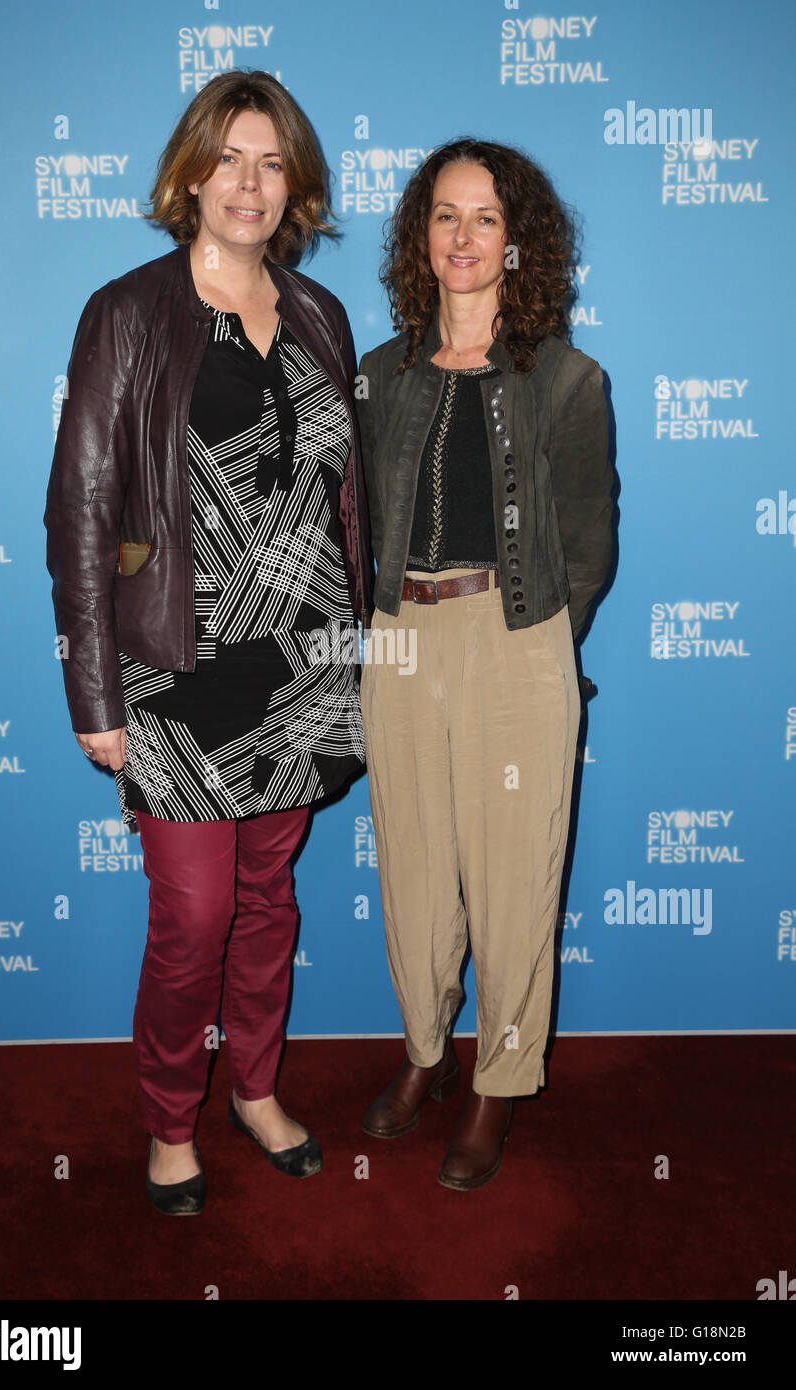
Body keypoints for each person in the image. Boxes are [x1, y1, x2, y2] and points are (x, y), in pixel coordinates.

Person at [44, 70, 372, 1215]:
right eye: (228, 158)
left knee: (270, 896)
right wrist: (95, 691)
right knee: (192, 915)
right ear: (190, 173)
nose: (249, 183)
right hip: (177, 668)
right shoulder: (127, 312)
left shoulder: (322, 316)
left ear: (297, 186)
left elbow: (344, 505)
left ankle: (258, 1088)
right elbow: (82, 507)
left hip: (306, 663)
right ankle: (171, 1116)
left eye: (271, 162)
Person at [356, 137, 613, 1190]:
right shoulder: (377, 373)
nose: (462, 237)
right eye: (444, 216)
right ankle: (427, 1051)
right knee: (414, 865)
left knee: (512, 874)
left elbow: (588, 542)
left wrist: (541, 653)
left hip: (516, 637)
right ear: (422, 235)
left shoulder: (564, 378)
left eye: (485, 218)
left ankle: (499, 1080)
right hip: (401, 636)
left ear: (518, 244)